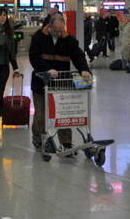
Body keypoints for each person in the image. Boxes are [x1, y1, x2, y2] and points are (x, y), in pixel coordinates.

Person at [28, 12, 91, 151]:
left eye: (61, 30)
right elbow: (34, 57)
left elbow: (78, 56)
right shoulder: (39, 37)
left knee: (63, 113)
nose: (58, 33)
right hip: (41, 82)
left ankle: (66, 142)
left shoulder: (69, 39)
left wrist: (84, 70)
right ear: (49, 27)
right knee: (41, 114)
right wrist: (47, 70)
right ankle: (40, 138)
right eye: (56, 30)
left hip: (61, 82)